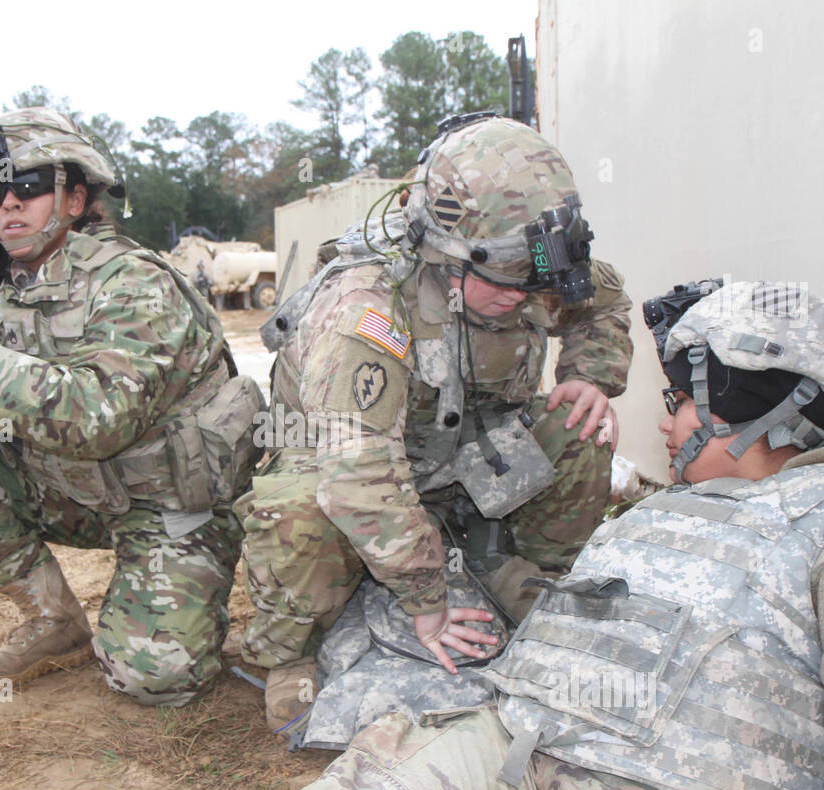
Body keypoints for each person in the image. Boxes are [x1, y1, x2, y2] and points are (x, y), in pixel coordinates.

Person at [170, 280, 824, 790]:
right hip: (517, 748)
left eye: (681, 400)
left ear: (750, 412)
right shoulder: (656, 515)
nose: (663, 419)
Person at [241, 113, 632, 725]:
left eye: (537, 283)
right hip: (350, 463)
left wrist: (589, 377)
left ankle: (516, 567)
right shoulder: (366, 306)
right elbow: (358, 474)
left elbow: (601, 303)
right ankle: (292, 651)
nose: (525, 298)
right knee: (300, 514)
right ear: (447, 254)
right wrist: (427, 599)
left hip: (463, 450)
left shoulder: (525, 264)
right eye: (507, 284)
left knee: (580, 426)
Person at [0, 108, 263, 705]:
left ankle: (181, 600)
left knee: (153, 679)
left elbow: (101, 415)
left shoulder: (133, 282)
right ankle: (55, 623)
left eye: (30, 186)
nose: (10, 203)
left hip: (170, 504)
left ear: (75, 197)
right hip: (74, 491)